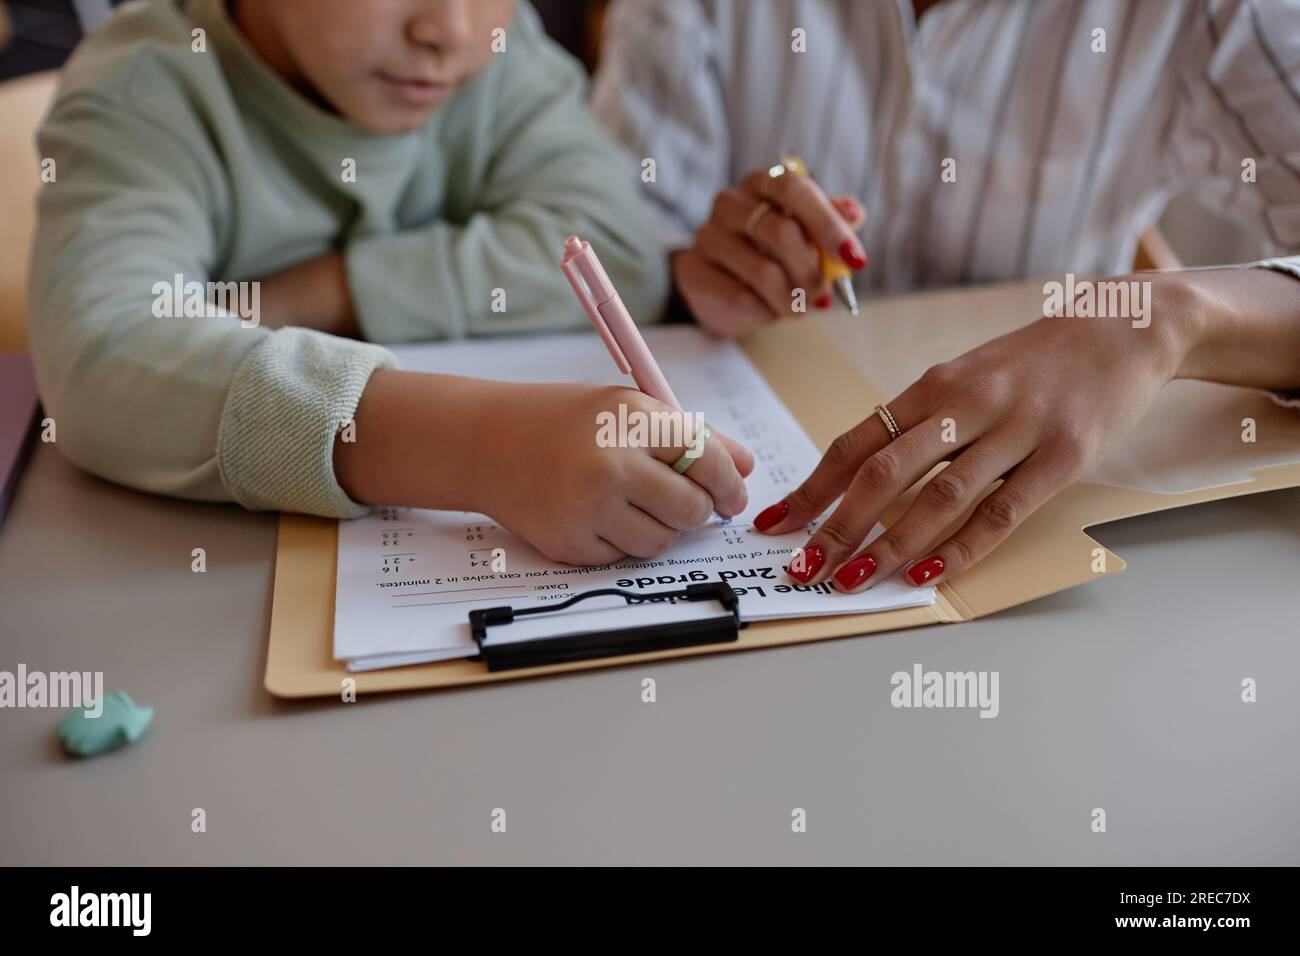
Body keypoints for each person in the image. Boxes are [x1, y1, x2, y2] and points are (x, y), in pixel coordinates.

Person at [593, 0, 1300, 590]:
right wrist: (690, 275)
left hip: (1055, 532)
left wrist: (1168, 322)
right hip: (747, 430)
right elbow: (612, 245)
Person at [28, 0, 752, 565]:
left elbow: (620, 255)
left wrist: (320, 293)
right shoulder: (148, 84)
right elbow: (104, 353)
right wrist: (482, 448)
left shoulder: (501, 56)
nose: (449, 29)